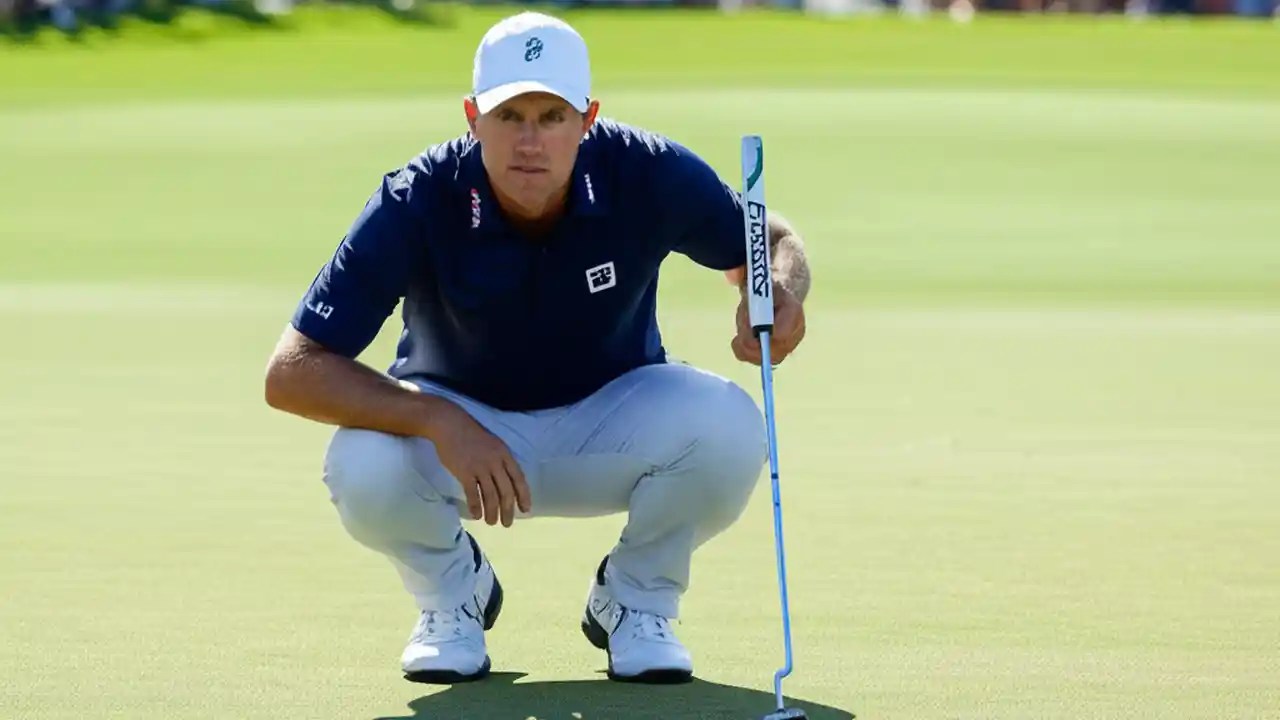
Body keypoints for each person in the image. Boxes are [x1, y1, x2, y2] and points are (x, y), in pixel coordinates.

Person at [264, 11, 812, 686]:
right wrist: (436, 419)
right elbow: (292, 371)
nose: (531, 140)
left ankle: (637, 602)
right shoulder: (418, 195)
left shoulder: (645, 171)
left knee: (728, 427)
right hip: (457, 437)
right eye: (509, 115)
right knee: (361, 463)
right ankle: (452, 596)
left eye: (553, 116)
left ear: (588, 118)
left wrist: (775, 294)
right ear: (472, 117)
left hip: (611, 419)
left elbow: (771, 240)